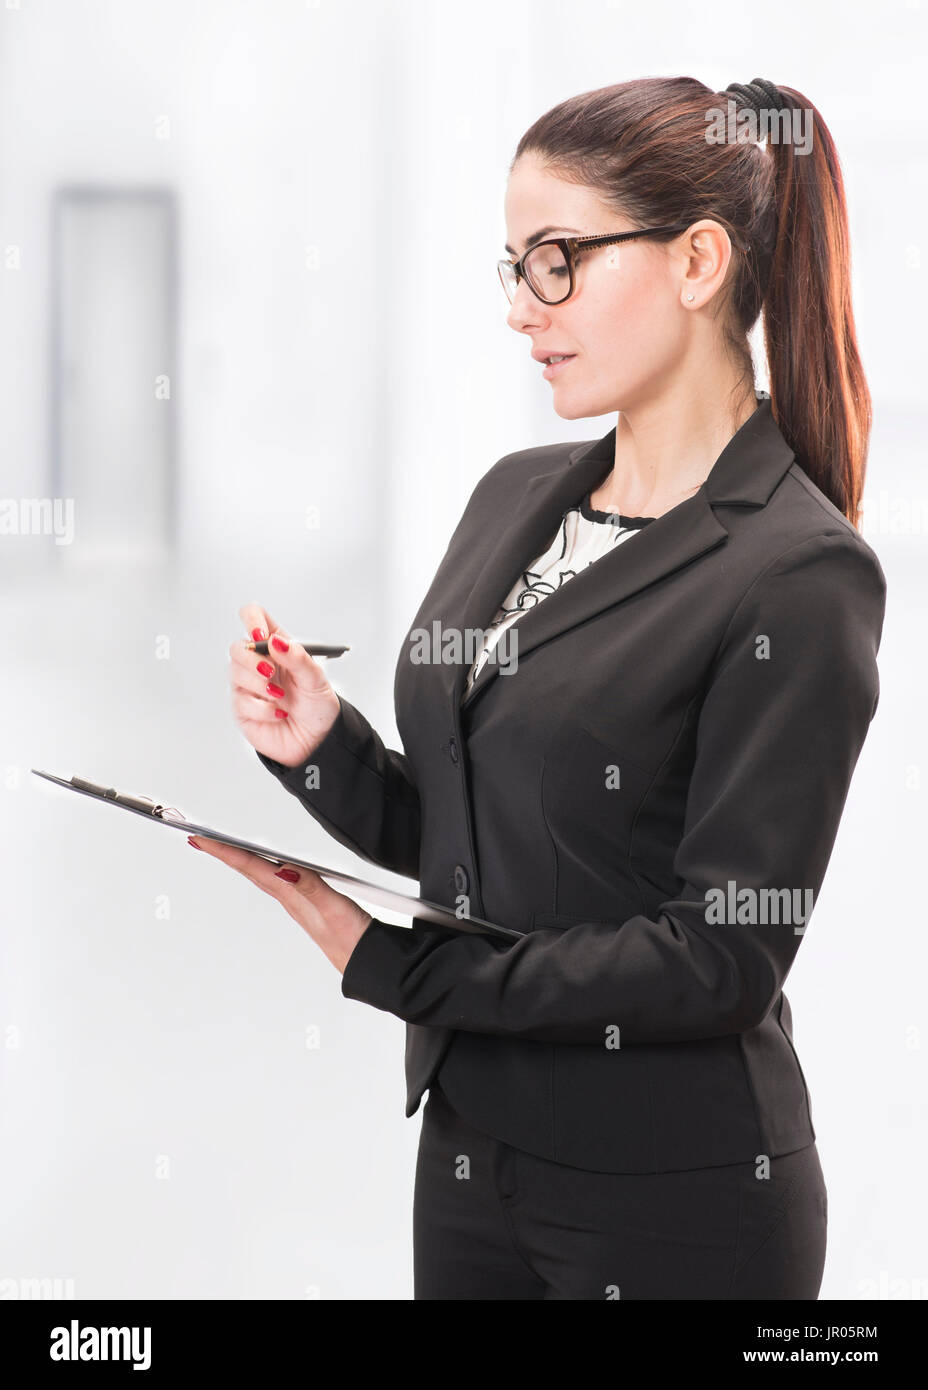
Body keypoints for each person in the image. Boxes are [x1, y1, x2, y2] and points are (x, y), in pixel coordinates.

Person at [191, 76, 887, 1300]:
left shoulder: (798, 572)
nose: (522, 308)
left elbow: (717, 956)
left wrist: (402, 971)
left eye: (557, 261)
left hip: (677, 1207)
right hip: (472, 1160)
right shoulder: (517, 493)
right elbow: (488, 837)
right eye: (511, 266)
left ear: (698, 262)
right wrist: (324, 749)